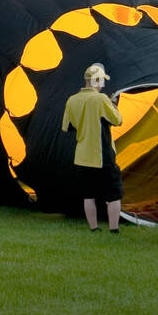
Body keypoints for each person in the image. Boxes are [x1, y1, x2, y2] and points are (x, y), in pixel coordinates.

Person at [61, 62, 124, 233]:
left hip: (82, 156)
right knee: (114, 194)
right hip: (103, 155)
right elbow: (117, 120)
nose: (103, 84)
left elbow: (67, 126)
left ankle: (94, 228)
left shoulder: (72, 100)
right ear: (95, 81)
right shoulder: (101, 99)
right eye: (102, 80)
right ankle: (114, 229)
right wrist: (113, 105)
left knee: (89, 195)